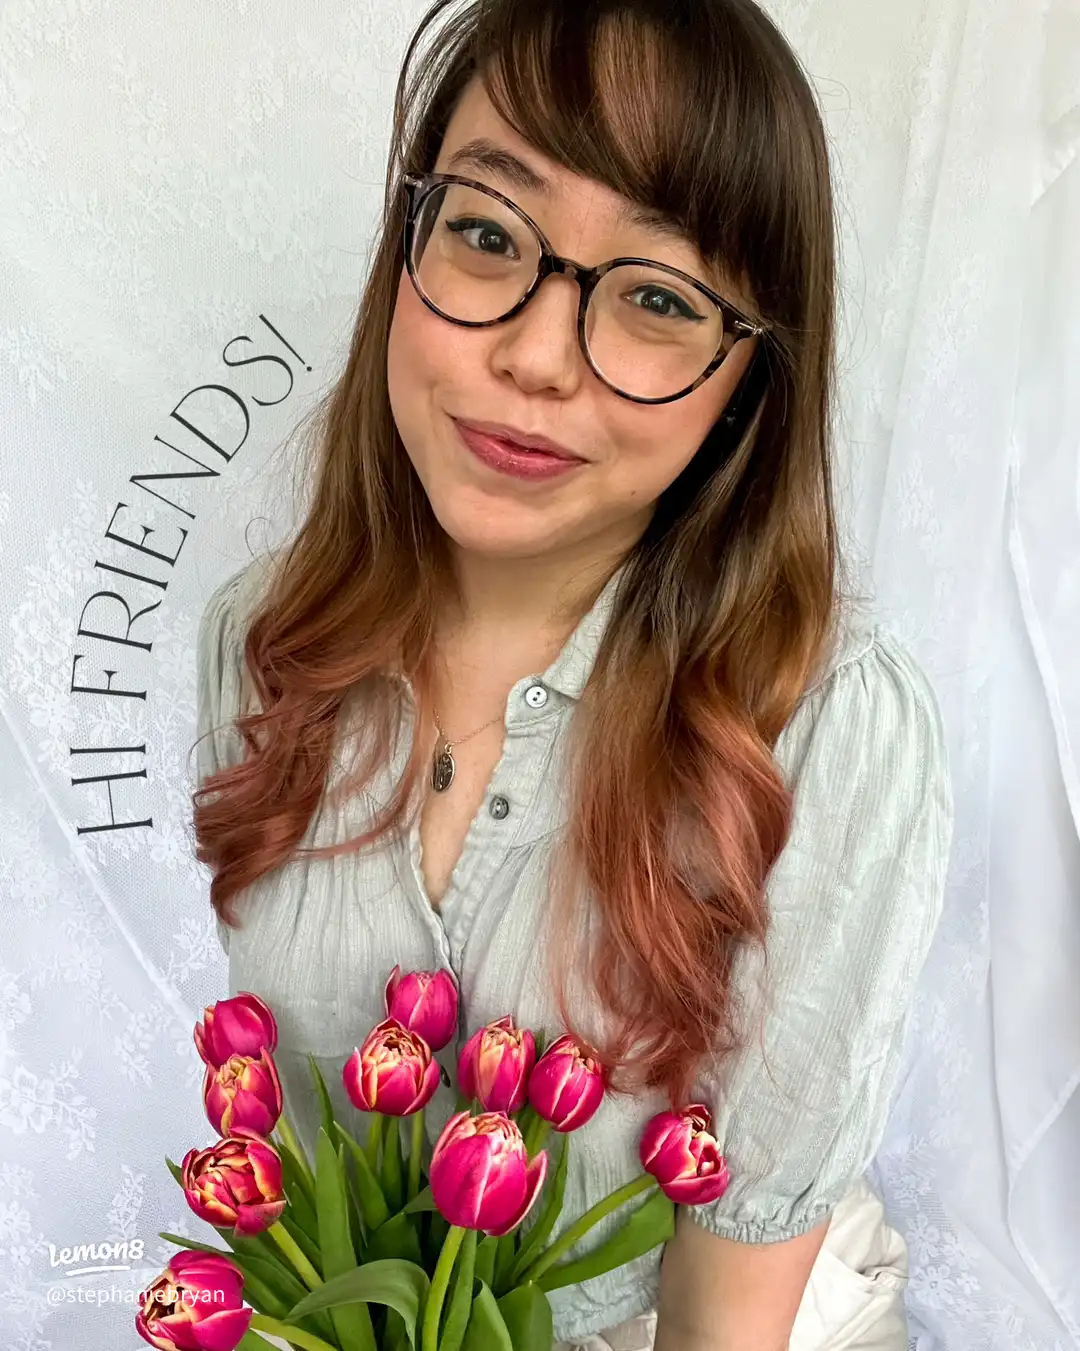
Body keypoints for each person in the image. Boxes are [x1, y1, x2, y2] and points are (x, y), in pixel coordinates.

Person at [192, 1, 953, 1347]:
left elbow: (725, 1317)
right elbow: (309, 1171)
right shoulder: (263, 641)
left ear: (747, 385)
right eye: (488, 232)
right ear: (409, 240)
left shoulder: (827, 725)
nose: (535, 357)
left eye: (657, 298)